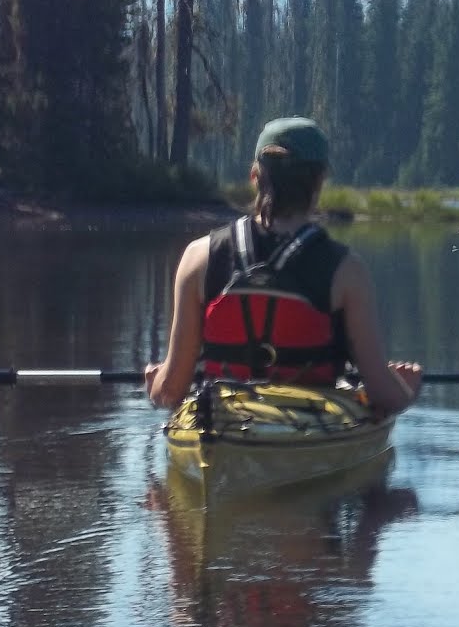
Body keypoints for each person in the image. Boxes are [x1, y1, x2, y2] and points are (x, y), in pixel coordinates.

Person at [144, 116, 422, 416]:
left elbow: (170, 392)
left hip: (224, 429)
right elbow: (386, 398)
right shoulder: (346, 270)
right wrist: (407, 388)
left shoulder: (198, 257)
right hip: (312, 432)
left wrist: (155, 381)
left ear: (255, 177)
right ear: (319, 181)